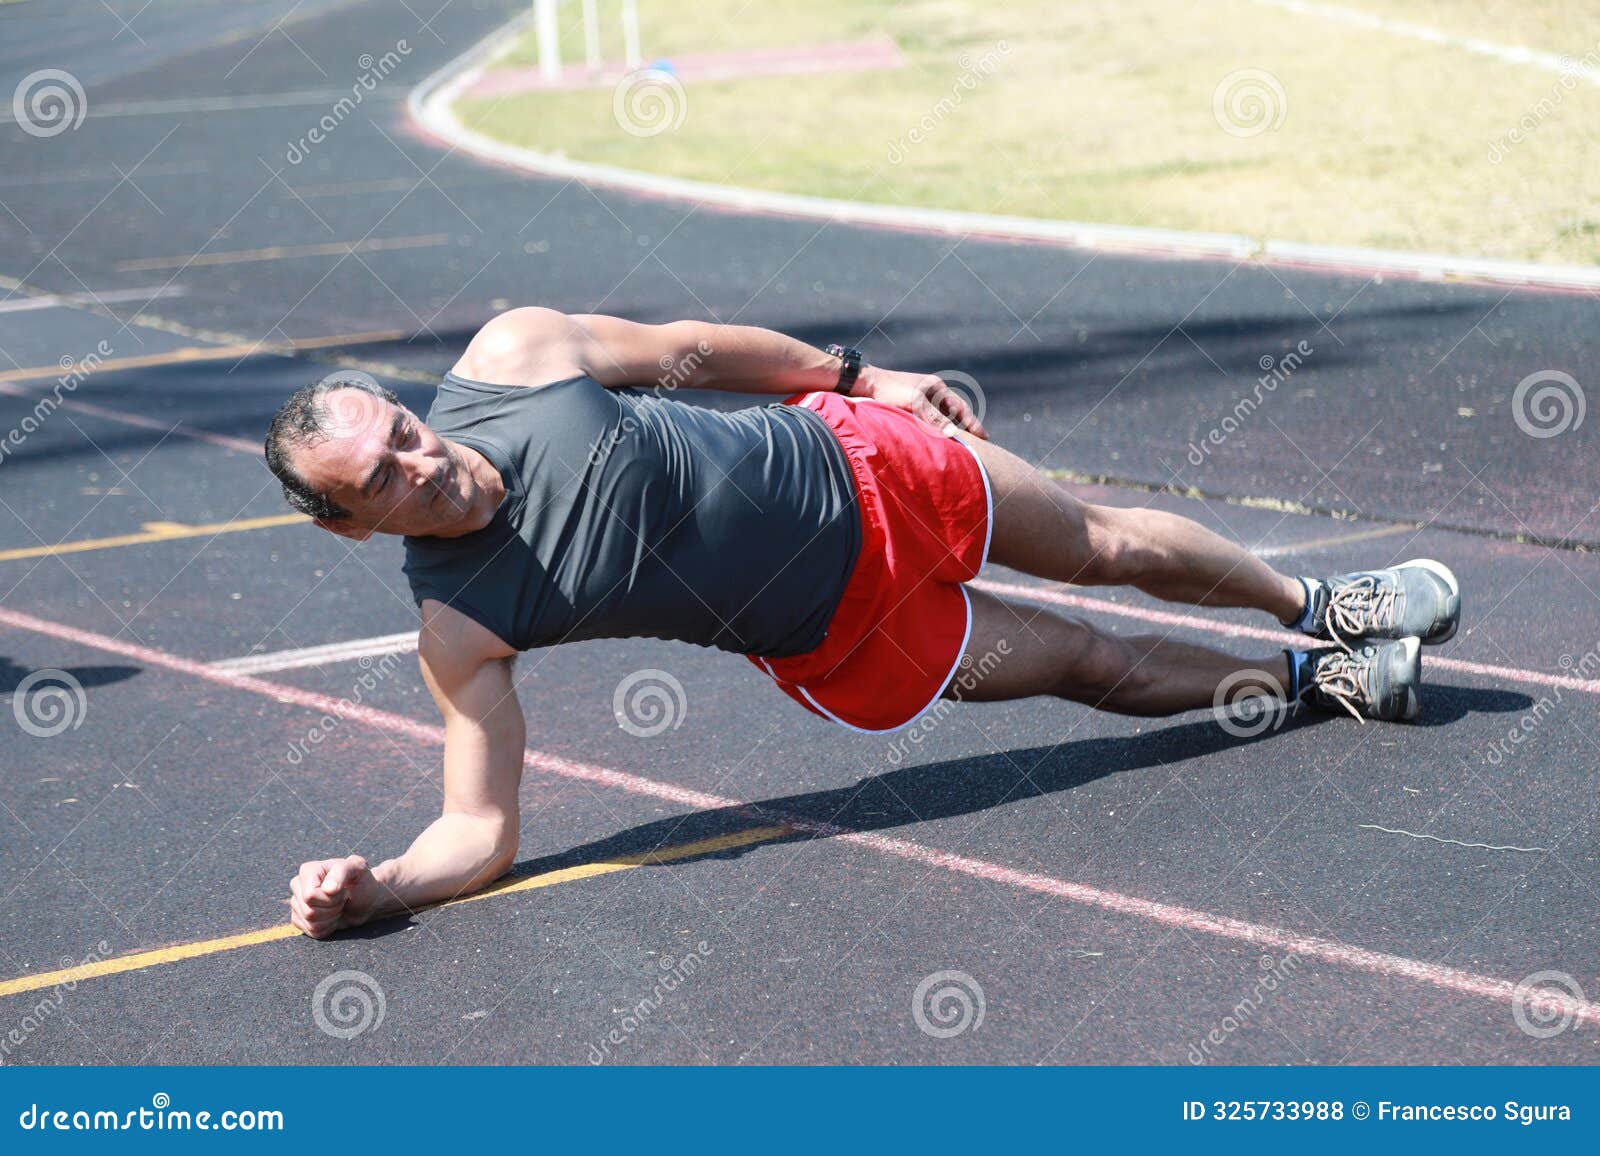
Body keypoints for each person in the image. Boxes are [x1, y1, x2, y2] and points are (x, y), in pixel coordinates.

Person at [263, 308, 1460, 938]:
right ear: (348, 526)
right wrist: (385, 888)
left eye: (404, 433)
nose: (416, 466)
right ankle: (1311, 679)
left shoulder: (516, 356)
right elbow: (477, 826)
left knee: (1103, 546)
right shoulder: (462, 625)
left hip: (873, 468)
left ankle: (1321, 603)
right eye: (378, 480)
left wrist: (854, 376)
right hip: (842, 633)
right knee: (1087, 666)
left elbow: (696, 350)